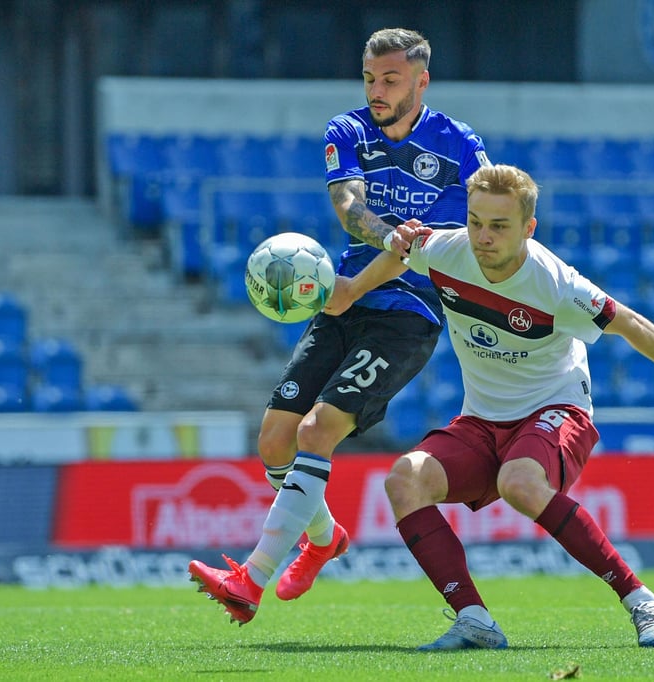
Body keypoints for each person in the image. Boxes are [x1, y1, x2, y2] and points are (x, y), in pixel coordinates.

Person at [327, 164, 654, 649]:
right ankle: (474, 621)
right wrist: (353, 289)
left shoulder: (556, 284)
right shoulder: (445, 249)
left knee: (520, 482)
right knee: (404, 479)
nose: (483, 236)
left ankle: (642, 599)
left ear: (528, 228)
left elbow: (627, 321)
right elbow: (403, 254)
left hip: (555, 409)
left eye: (499, 226)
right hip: (482, 419)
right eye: (475, 221)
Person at [188, 27, 491, 625]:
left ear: (421, 81)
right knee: (274, 439)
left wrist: (372, 271)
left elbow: (445, 241)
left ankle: (250, 579)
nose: (377, 91)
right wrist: (380, 245)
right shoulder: (347, 130)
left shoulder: (459, 147)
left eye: (391, 80)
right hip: (344, 302)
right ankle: (324, 538)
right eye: (370, 79)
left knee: (316, 431)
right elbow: (350, 207)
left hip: (408, 316)